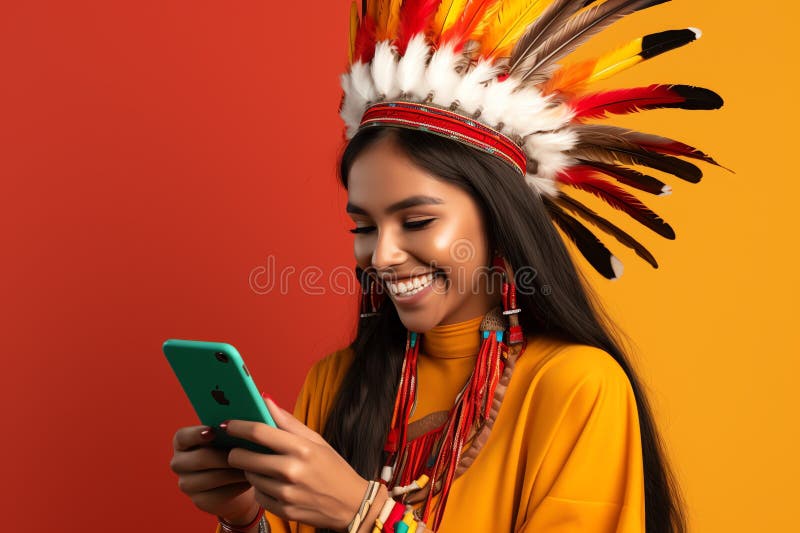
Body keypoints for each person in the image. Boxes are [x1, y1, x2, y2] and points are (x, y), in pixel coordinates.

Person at [169, 1, 724, 532]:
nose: (381, 255)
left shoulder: (575, 388)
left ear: (498, 221)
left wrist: (365, 512)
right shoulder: (333, 383)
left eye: (415, 222)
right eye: (363, 226)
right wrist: (243, 514)